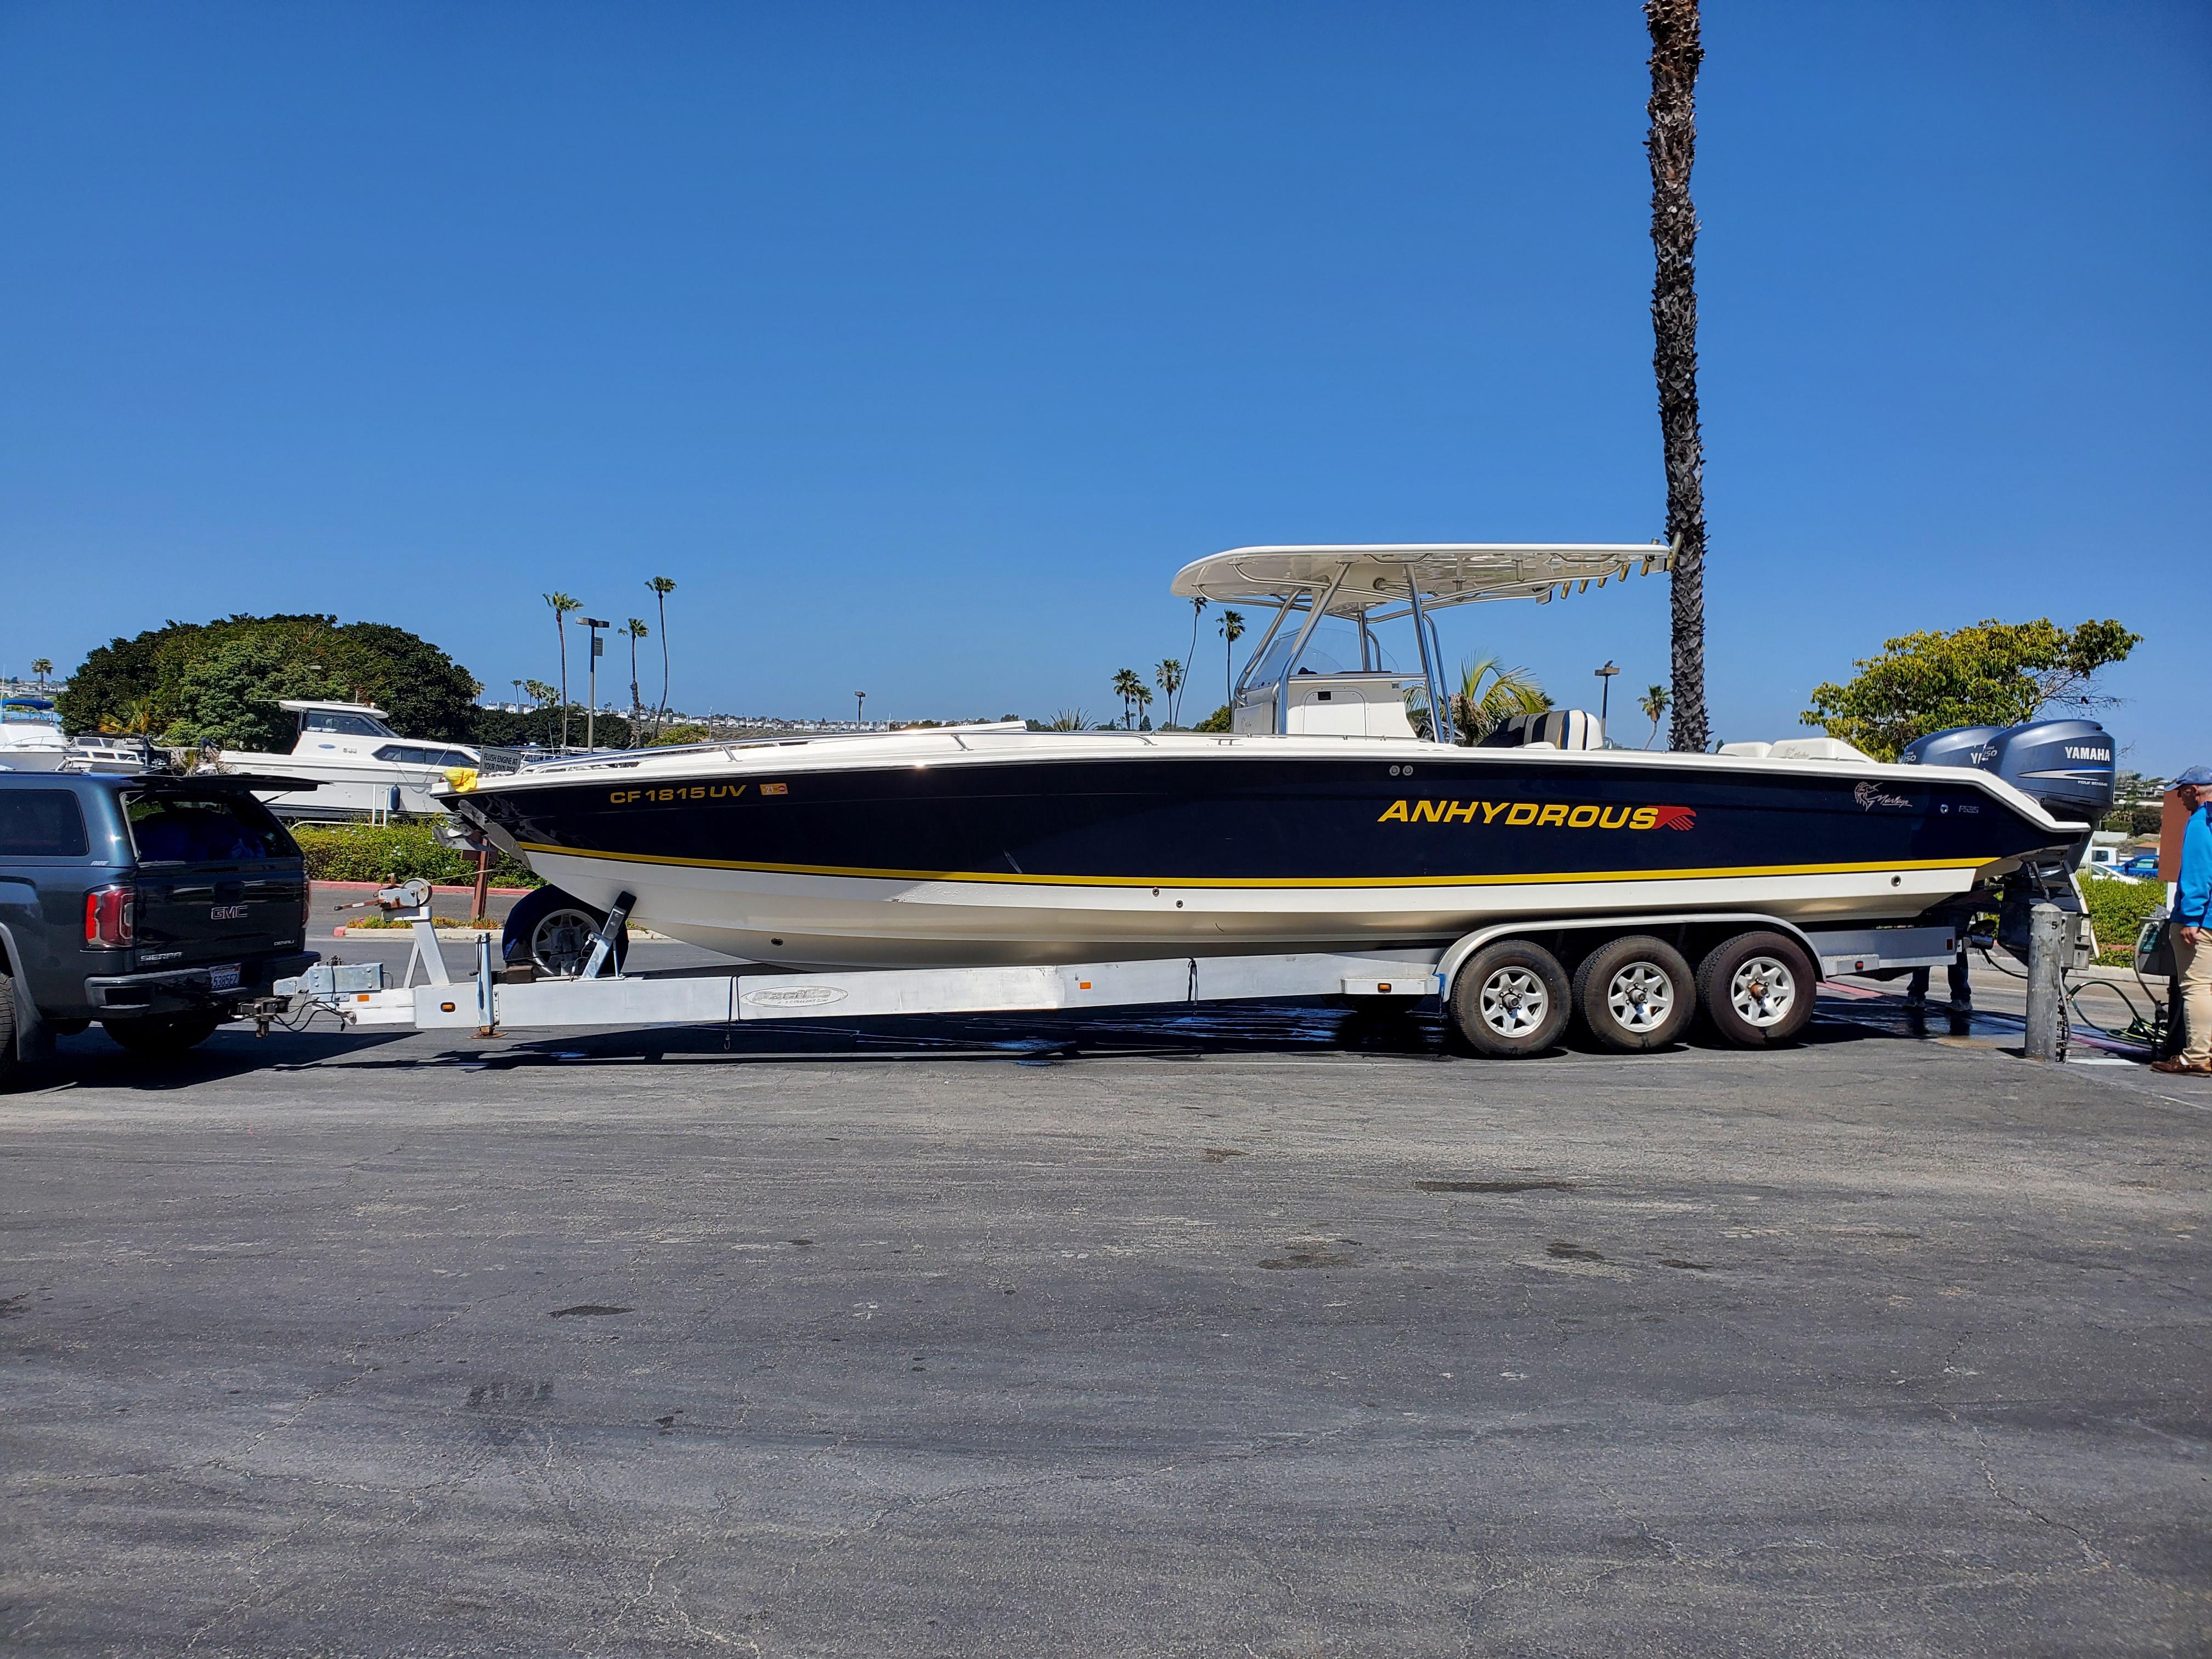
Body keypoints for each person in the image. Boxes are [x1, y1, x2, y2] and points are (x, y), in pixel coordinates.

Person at [2152, 764, 2212, 1076]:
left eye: (2181, 791)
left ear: (2194, 789)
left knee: (2197, 987)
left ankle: (2197, 1055)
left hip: (2203, 920)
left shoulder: (2202, 822)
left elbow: (2198, 874)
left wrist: (2191, 917)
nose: (2180, 798)